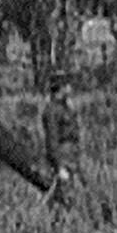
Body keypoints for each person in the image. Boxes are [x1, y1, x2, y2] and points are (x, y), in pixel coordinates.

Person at [42, 71, 82, 211]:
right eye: (67, 85)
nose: (70, 88)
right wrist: (59, 167)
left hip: (71, 156)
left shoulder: (66, 107)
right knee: (63, 196)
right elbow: (52, 140)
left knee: (71, 193)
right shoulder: (52, 110)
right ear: (61, 87)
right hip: (62, 157)